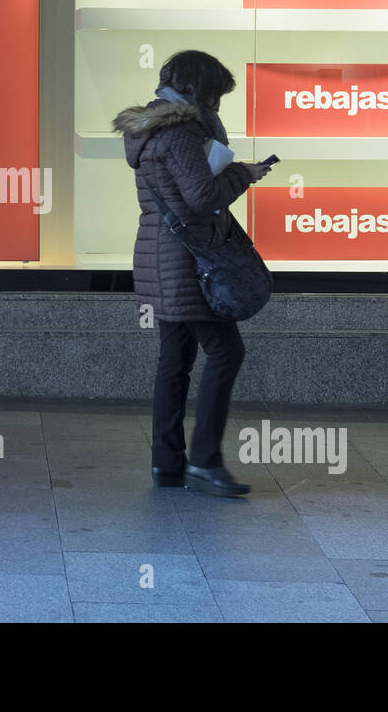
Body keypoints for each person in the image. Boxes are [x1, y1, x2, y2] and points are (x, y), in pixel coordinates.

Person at [111, 50, 272, 497]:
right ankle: (203, 462)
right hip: (189, 261)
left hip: (162, 254)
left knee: (175, 359)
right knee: (225, 353)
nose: (218, 105)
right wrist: (244, 173)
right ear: (198, 90)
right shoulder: (180, 131)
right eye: (216, 95)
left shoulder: (151, 130)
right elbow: (201, 197)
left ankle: (167, 465)